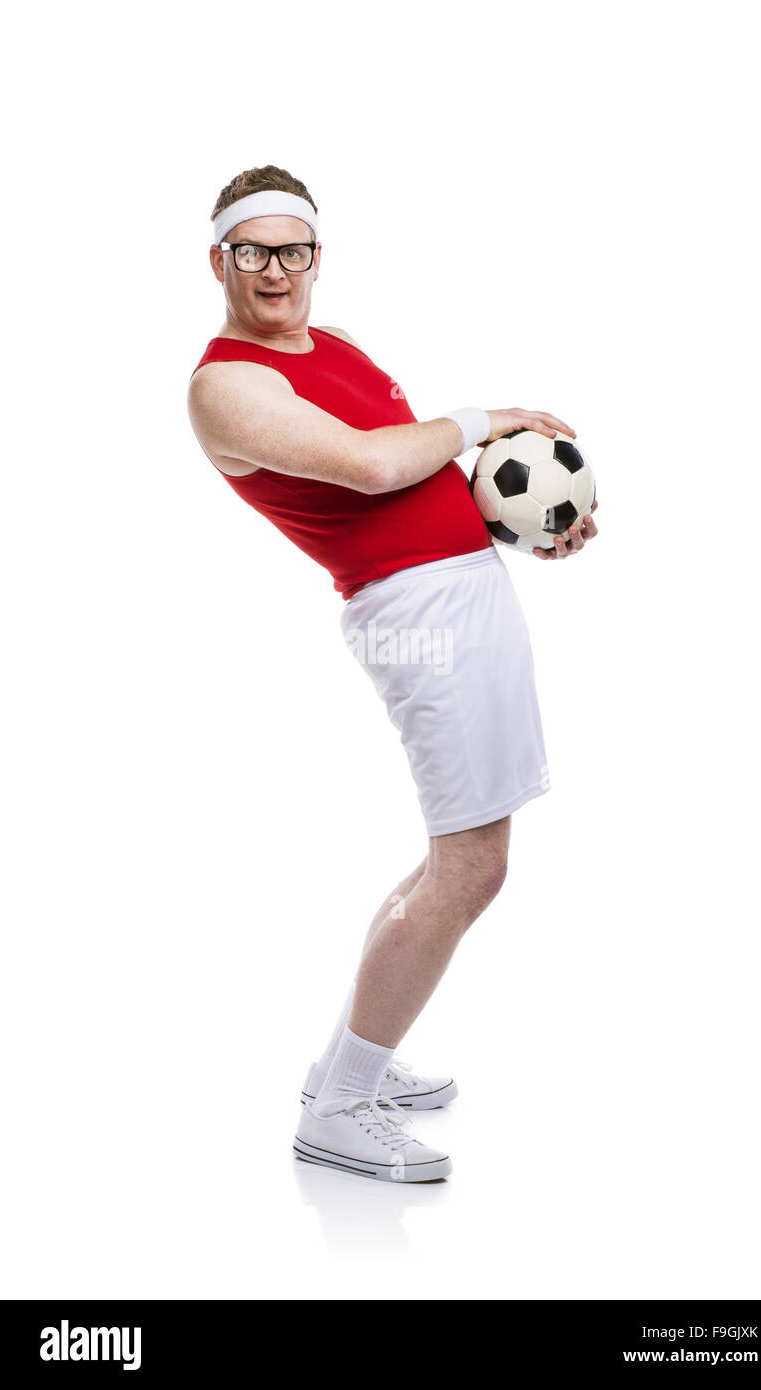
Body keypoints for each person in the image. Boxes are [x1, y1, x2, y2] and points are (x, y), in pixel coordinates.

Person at [187, 164, 599, 1183]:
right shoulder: (226, 383)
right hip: (414, 615)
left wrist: (515, 522)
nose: (273, 270)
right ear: (218, 260)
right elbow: (371, 467)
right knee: (473, 865)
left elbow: (411, 479)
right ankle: (338, 1105)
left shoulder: (335, 348)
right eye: (252, 251)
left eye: (291, 249)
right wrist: (478, 416)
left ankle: (347, 1057)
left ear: (316, 256)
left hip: (462, 594)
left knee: (446, 856)